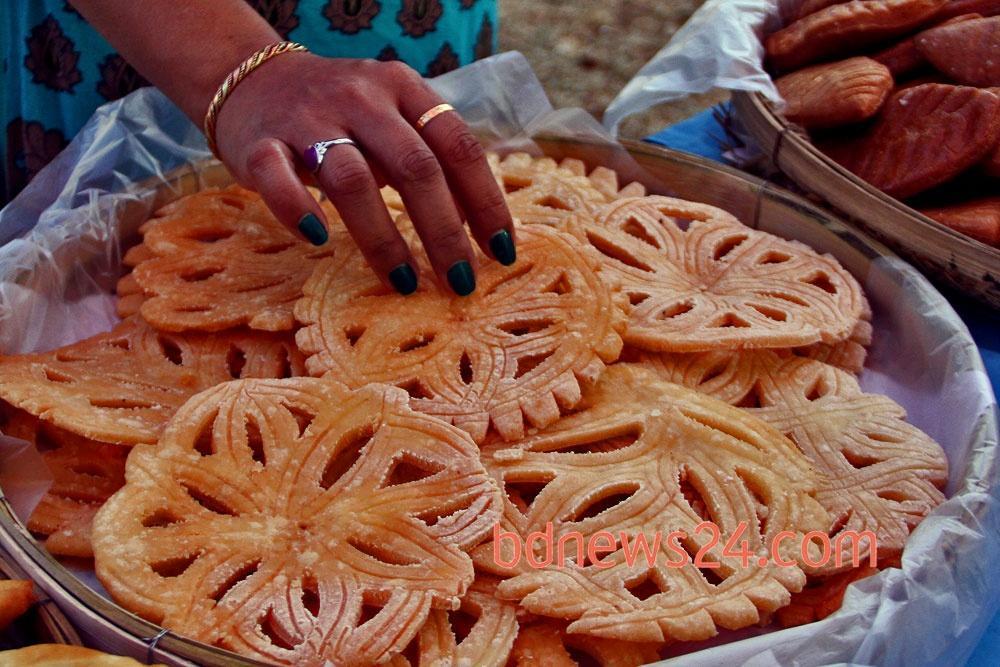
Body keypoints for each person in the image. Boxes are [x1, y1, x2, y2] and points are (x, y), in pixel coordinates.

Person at [1, 1, 515, 297]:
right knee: (78, 284)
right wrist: (238, 66)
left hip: (414, 21)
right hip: (148, 33)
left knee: (414, 165)